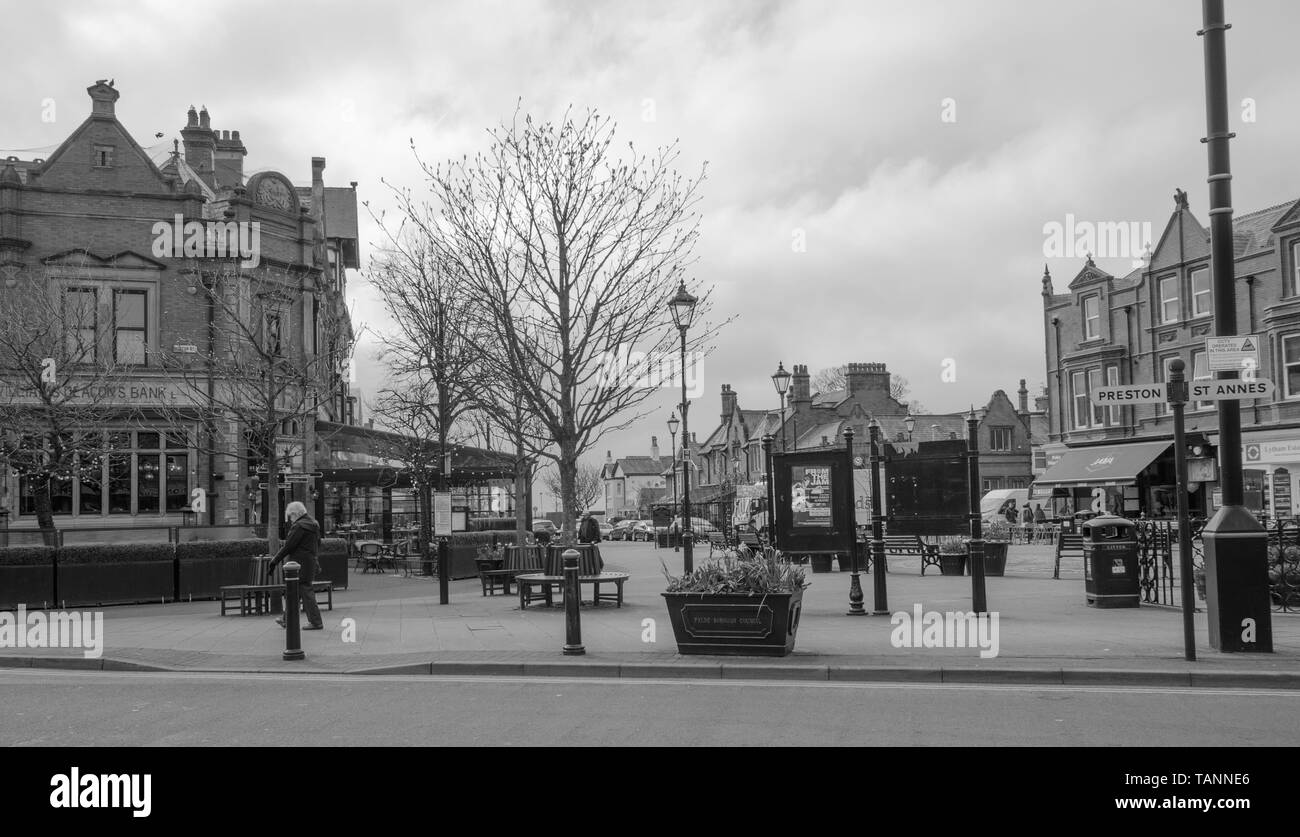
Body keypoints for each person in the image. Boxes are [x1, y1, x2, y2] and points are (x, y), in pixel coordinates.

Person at [268, 501, 323, 630]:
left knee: (305, 590)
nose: (290, 520)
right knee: (294, 592)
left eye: (290, 516)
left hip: (298, 564)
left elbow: (288, 546)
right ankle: (287, 619)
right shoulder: (314, 524)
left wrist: (275, 560)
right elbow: (318, 544)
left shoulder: (299, 526)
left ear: (295, 514)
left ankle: (316, 622)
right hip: (309, 562)